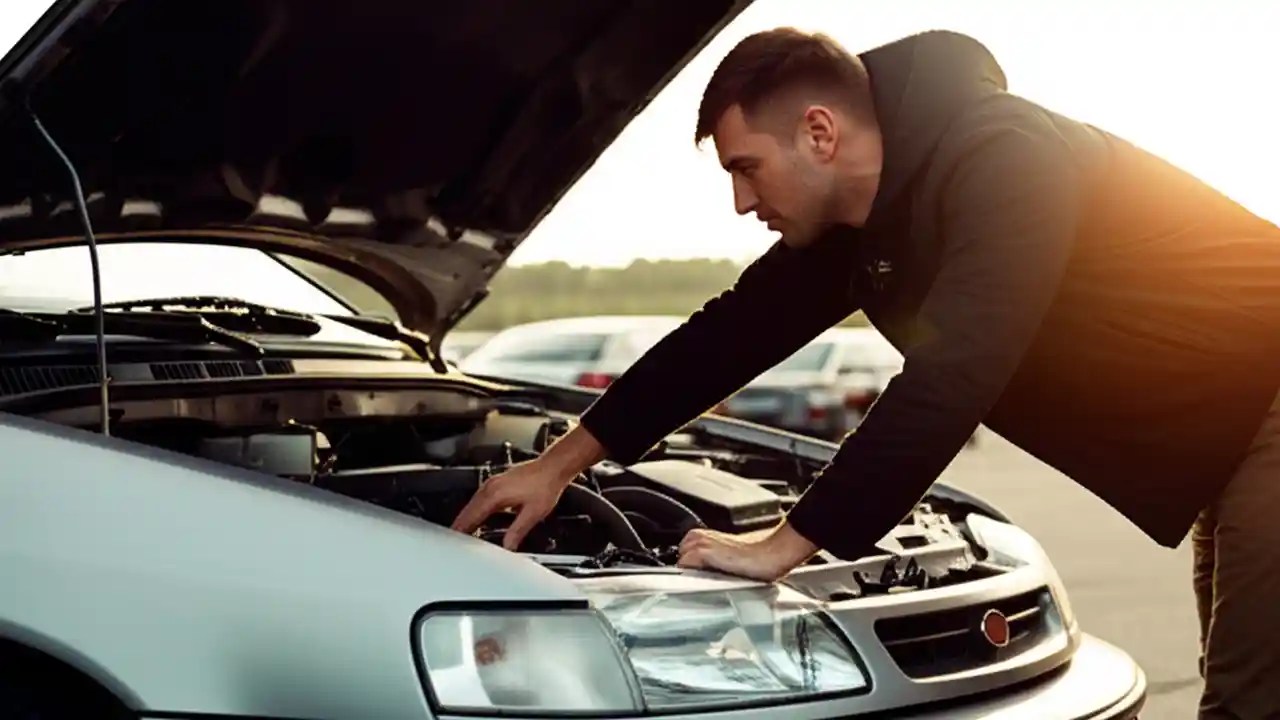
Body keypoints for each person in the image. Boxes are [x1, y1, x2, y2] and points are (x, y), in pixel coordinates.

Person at [451, 27, 1280, 719]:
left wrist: (786, 545)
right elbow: (729, 334)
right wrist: (559, 465)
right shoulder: (859, 223)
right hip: (1225, 437)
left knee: (1248, 700)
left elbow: (956, 374)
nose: (743, 204)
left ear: (820, 133)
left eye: (746, 169)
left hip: (1270, 406)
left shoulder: (1005, 157)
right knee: (1244, 681)